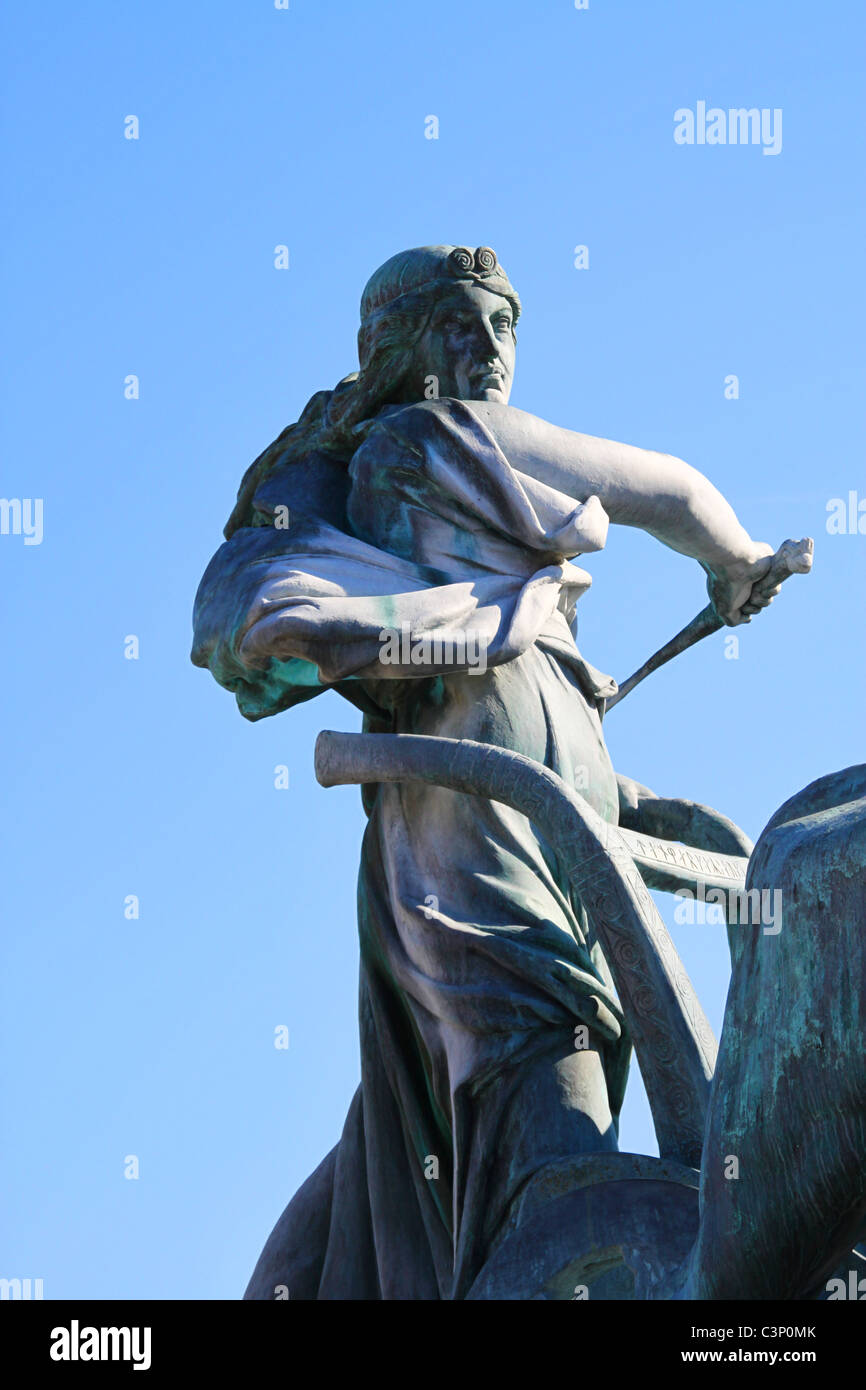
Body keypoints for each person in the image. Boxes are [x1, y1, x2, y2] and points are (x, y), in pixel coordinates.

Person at [192, 245, 779, 1300]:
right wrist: (734, 563)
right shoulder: (448, 436)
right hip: (473, 820)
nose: (489, 349)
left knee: (421, 1112)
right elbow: (673, 489)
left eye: (503, 325)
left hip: (519, 796)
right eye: (459, 326)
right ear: (400, 352)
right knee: (527, 1052)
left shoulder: (365, 479)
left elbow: (245, 608)